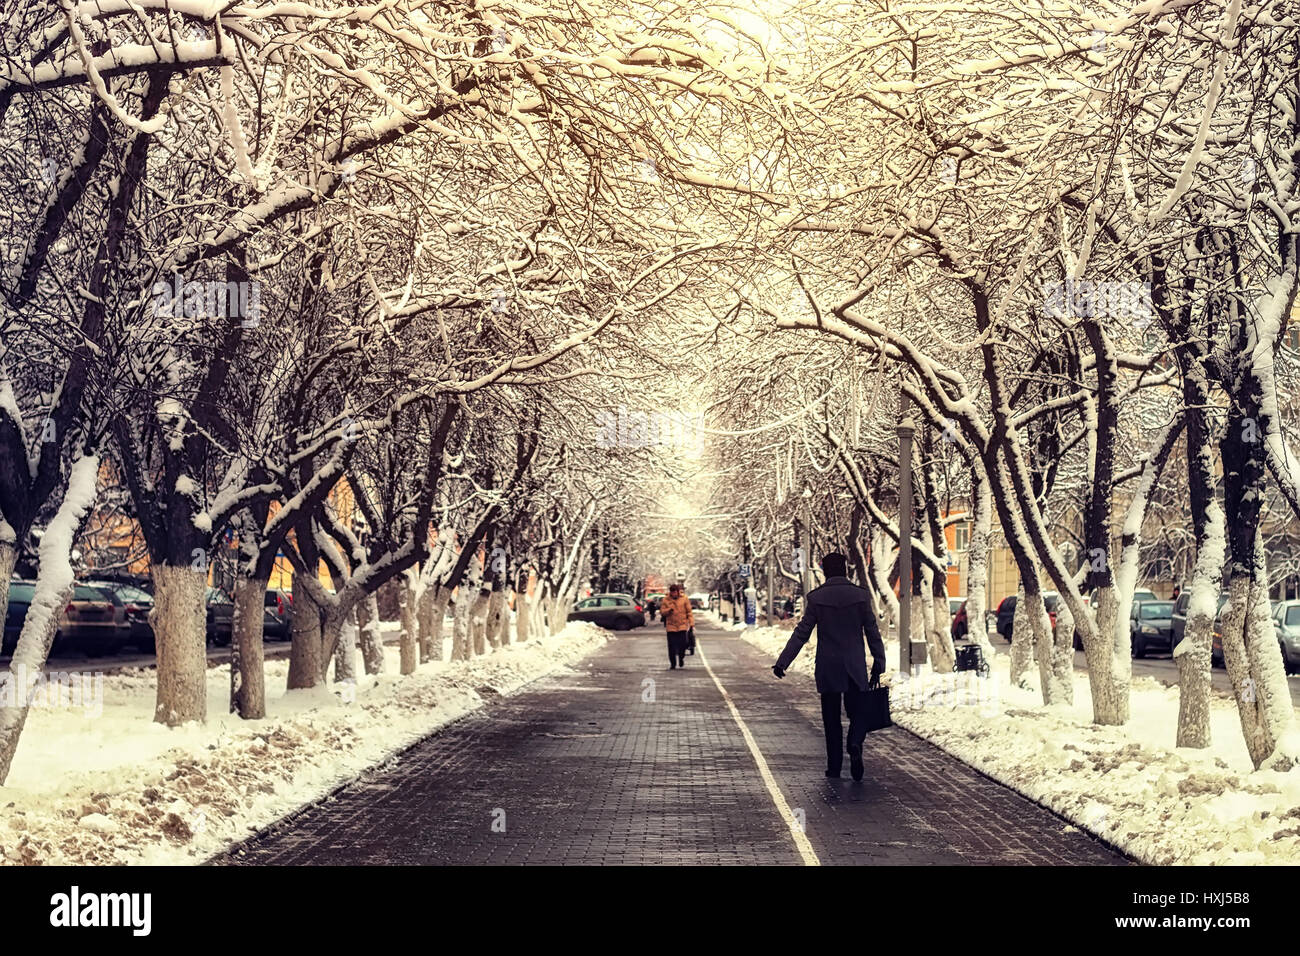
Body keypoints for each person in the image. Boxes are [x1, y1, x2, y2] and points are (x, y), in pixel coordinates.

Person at [771, 552, 886, 781]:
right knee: (858, 713)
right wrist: (879, 662)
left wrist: (783, 661)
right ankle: (855, 742)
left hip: (829, 666)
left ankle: (834, 767)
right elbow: (872, 632)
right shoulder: (861, 597)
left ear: (825, 571)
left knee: (831, 719)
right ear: (844, 569)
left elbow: (802, 633)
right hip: (854, 665)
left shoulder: (816, 598)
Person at [659, 583, 695, 669]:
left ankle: (681, 658)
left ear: (678, 592)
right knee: (671, 646)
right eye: (672, 592)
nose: (674, 594)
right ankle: (673, 663)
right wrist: (668, 610)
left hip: (682, 625)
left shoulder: (684, 599)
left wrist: (691, 623)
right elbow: (662, 612)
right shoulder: (666, 600)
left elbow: (689, 612)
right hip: (671, 626)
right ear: (670, 592)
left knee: (682, 645)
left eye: (675, 592)